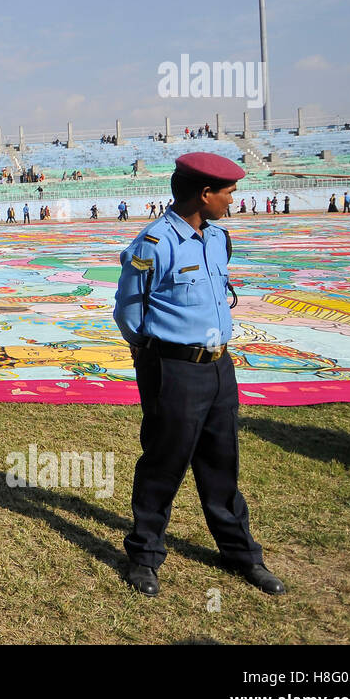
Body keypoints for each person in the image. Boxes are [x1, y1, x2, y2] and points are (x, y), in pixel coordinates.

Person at [113, 152, 284, 598]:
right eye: (227, 192)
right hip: (173, 369)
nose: (233, 199)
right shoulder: (153, 245)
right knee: (164, 463)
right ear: (204, 194)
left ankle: (242, 555)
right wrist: (156, 356)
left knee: (221, 463)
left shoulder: (217, 238)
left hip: (220, 369)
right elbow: (130, 312)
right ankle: (145, 556)